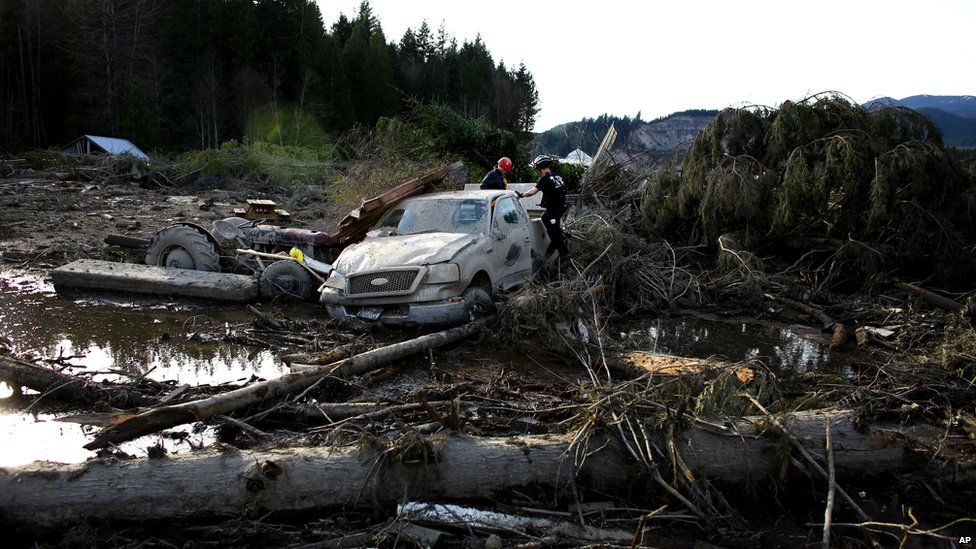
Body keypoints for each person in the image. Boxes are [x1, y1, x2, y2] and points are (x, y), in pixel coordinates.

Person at [517, 155, 571, 259]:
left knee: (548, 222)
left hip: (554, 208)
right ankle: (556, 247)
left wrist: (520, 195)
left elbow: (533, 192)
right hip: (561, 207)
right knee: (555, 228)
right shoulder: (557, 176)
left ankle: (564, 253)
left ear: (539, 168)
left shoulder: (545, 178)